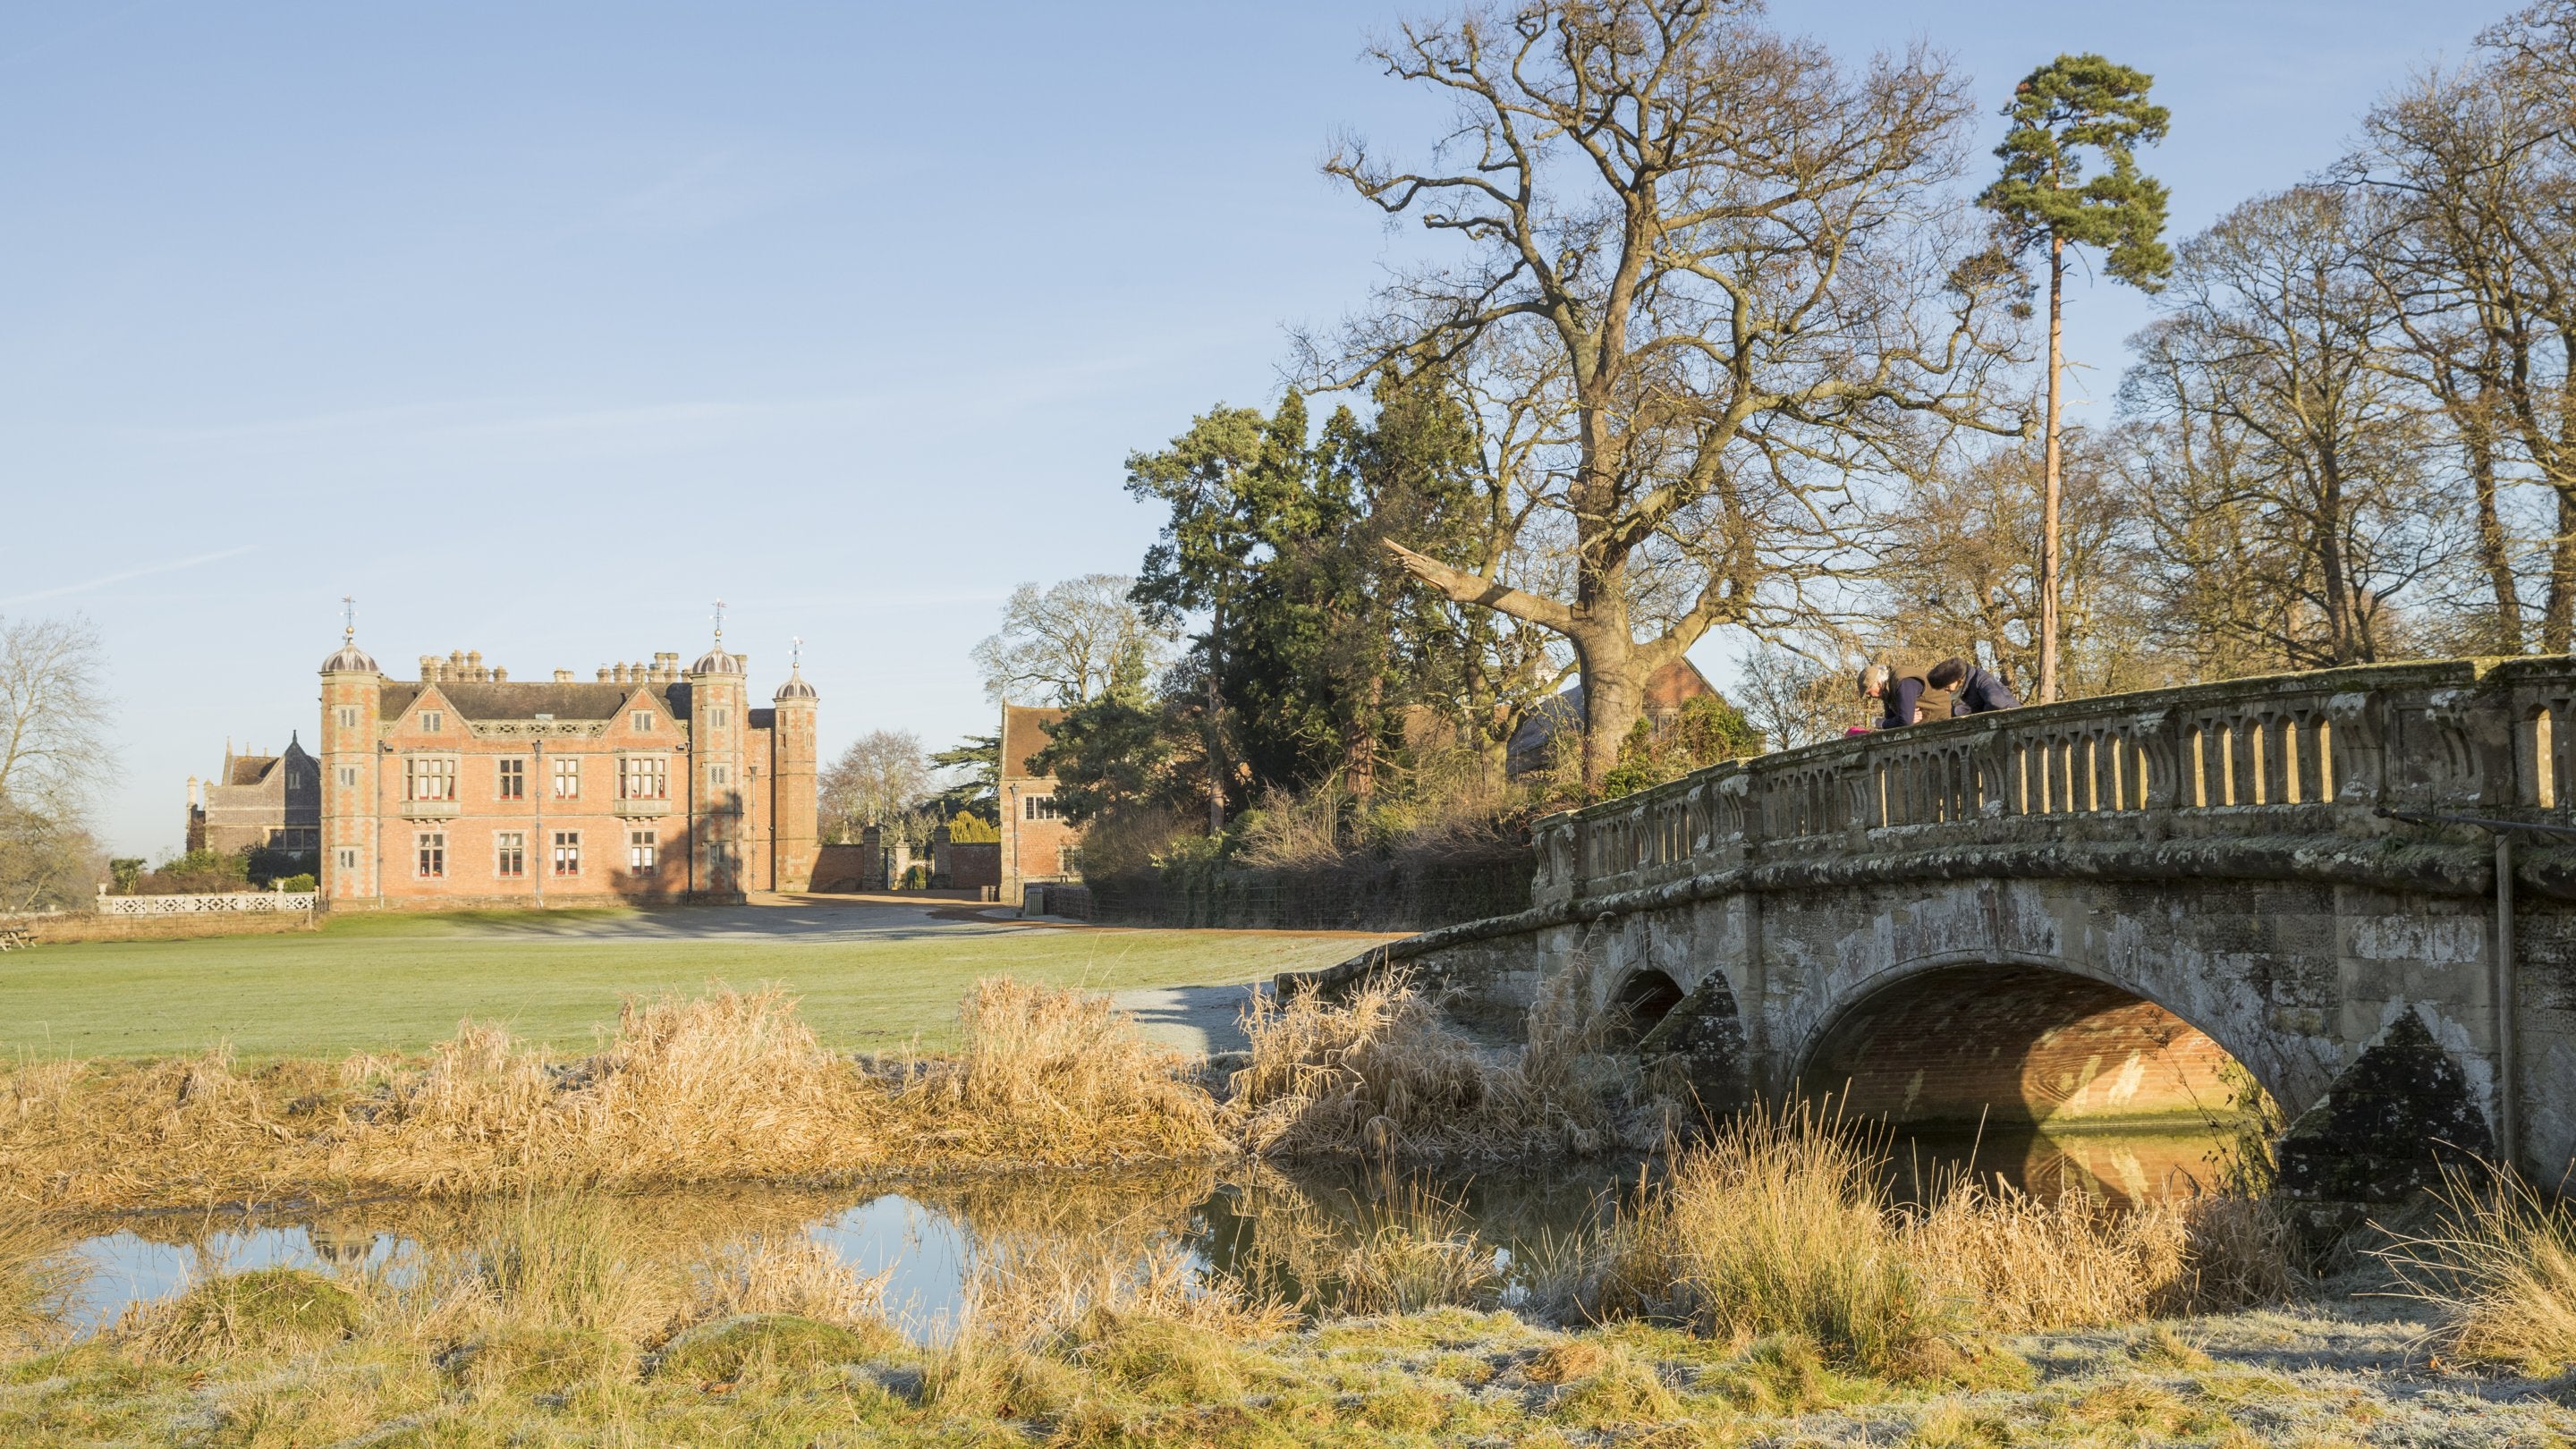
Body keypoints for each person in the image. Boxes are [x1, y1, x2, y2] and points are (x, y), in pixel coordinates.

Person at [1856, 662, 1952, 730]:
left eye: (1869, 692)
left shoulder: (1902, 681)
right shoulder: (1887, 690)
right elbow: (1893, 719)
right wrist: (1902, 719)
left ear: (1878, 684)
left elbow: (1904, 721)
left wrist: (1882, 723)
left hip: (1944, 723)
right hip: (1930, 726)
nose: (1870, 696)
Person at [1928, 656, 2021, 716]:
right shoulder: (1962, 688)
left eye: (1947, 687)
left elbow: (1997, 703)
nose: (1946, 692)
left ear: (1959, 680)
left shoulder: (1982, 679)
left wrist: (1969, 712)